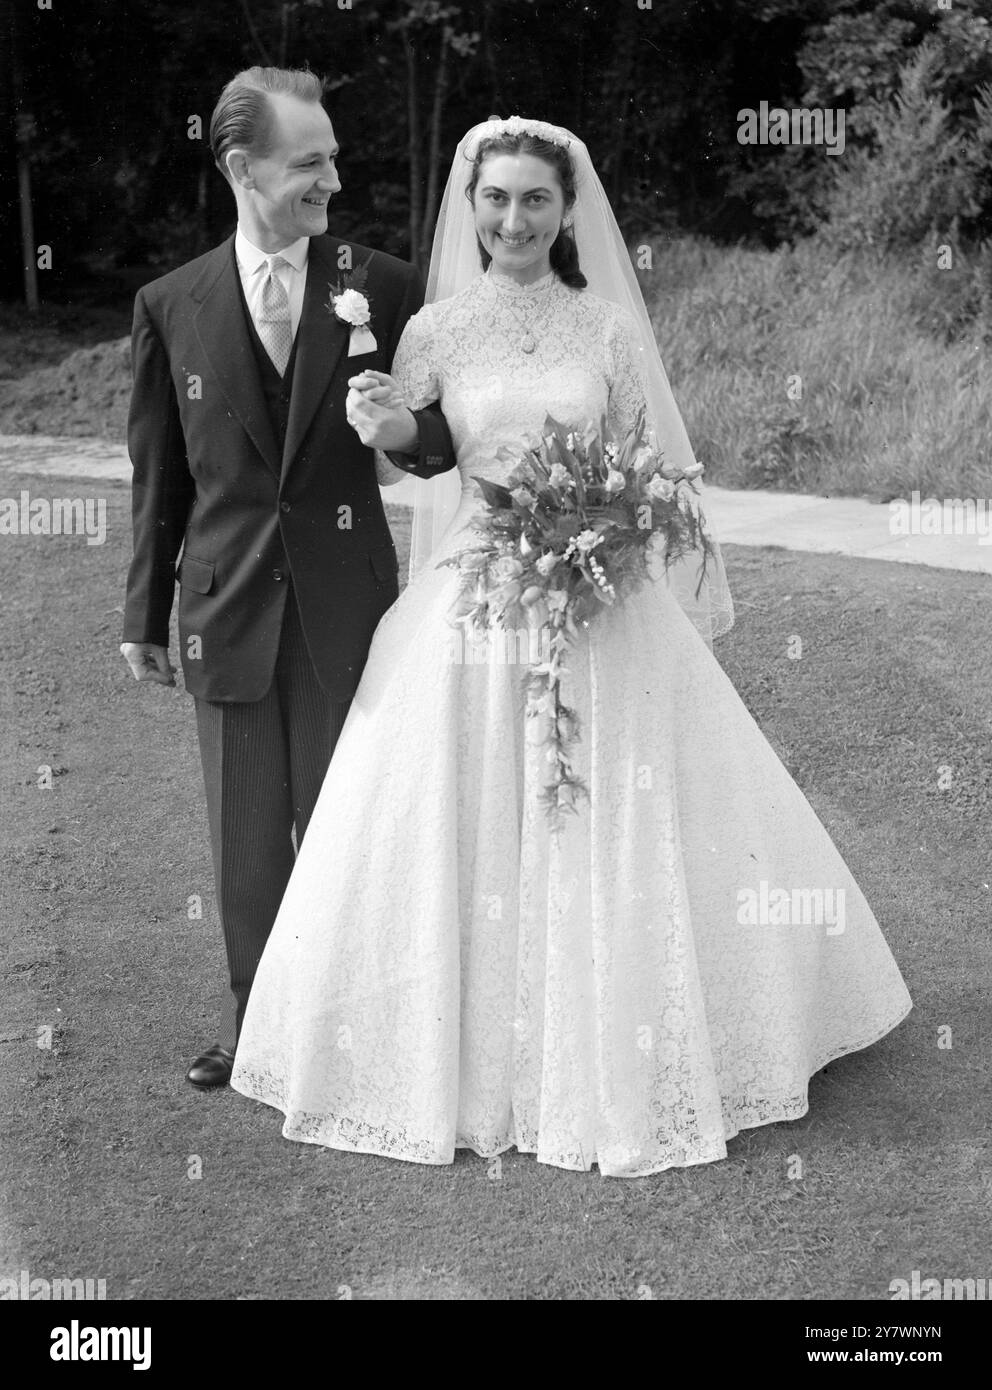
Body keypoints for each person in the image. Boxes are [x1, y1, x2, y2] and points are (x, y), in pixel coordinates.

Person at [229, 118, 911, 1177]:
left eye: (532, 200)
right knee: (456, 812)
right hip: (468, 598)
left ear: (564, 209)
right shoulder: (436, 330)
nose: (512, 218)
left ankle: (637, 1034)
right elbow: (426, 458)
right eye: (494, 199)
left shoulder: (603, 329)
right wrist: (383, 424)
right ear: (472, 208)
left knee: (607, 809)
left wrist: (610, 525)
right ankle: (442, 1047)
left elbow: (652, 466)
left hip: (599, 600)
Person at [119, 67, 456, 1089]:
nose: (330, 179)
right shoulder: (169, 305)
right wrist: (143, 611)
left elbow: (443, 433)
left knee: (352, 825)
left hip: (348, 610)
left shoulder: (385, 284)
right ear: (240, 166)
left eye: (333, 157)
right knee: (246, 842)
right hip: (221, 609)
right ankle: (257, 1027)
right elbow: (159, 476)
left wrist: (411, 432)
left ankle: (362, 1028)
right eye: (309, 161)